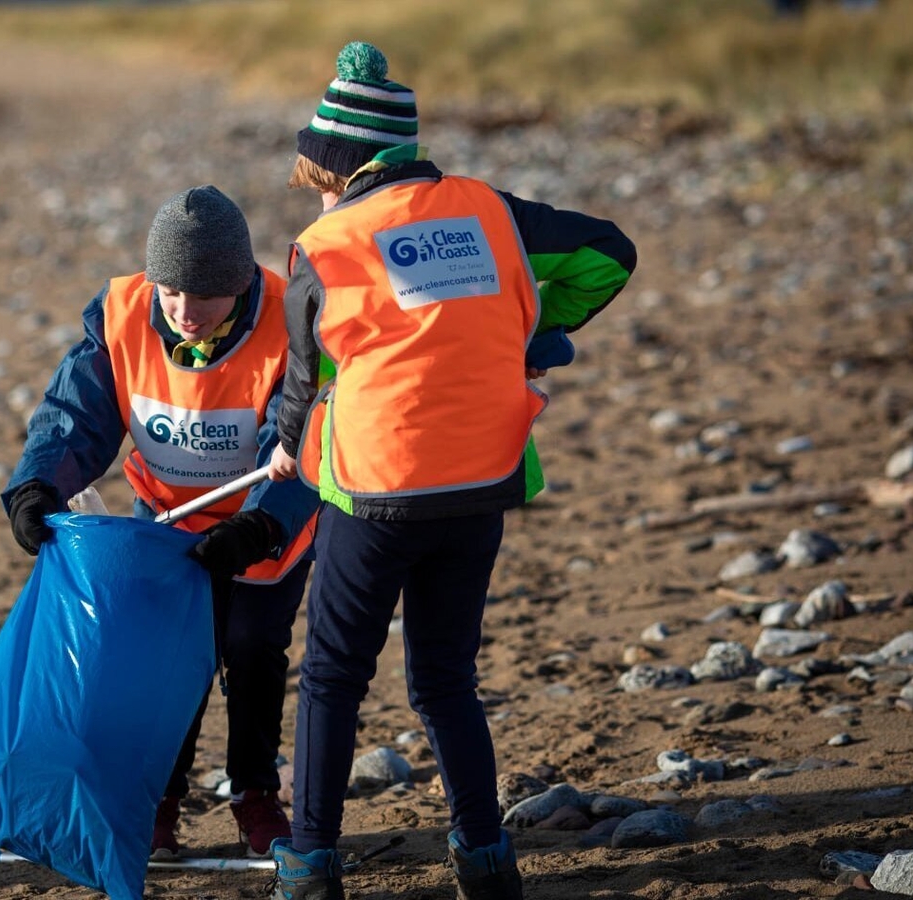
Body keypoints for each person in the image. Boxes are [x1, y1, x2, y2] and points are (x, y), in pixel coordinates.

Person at [262, 43, 636, 900]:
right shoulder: (488, 209)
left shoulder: (325, 243)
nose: (318, 193)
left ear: (346, 166)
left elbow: (304, 374)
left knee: (331, 677)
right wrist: (532, 336)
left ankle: (312, 864)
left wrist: (287, 443)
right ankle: (483, 855)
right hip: (480, 483)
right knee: (445, 678)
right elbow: (609, 251)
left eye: (320, 175)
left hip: (377, 488)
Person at [2, 185, 323, 859]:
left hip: (259, 532)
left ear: (238, 284)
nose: (184, 313)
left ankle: (256, 796)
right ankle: (159, 802)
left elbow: (299, 439)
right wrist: (37, 487)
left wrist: (260, 527)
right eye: (170, 293)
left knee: (252, 651)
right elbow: (76, 416)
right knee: (167, 663)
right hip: (166, 523)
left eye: (203, 297)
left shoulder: (289, 321)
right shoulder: (121, 313)